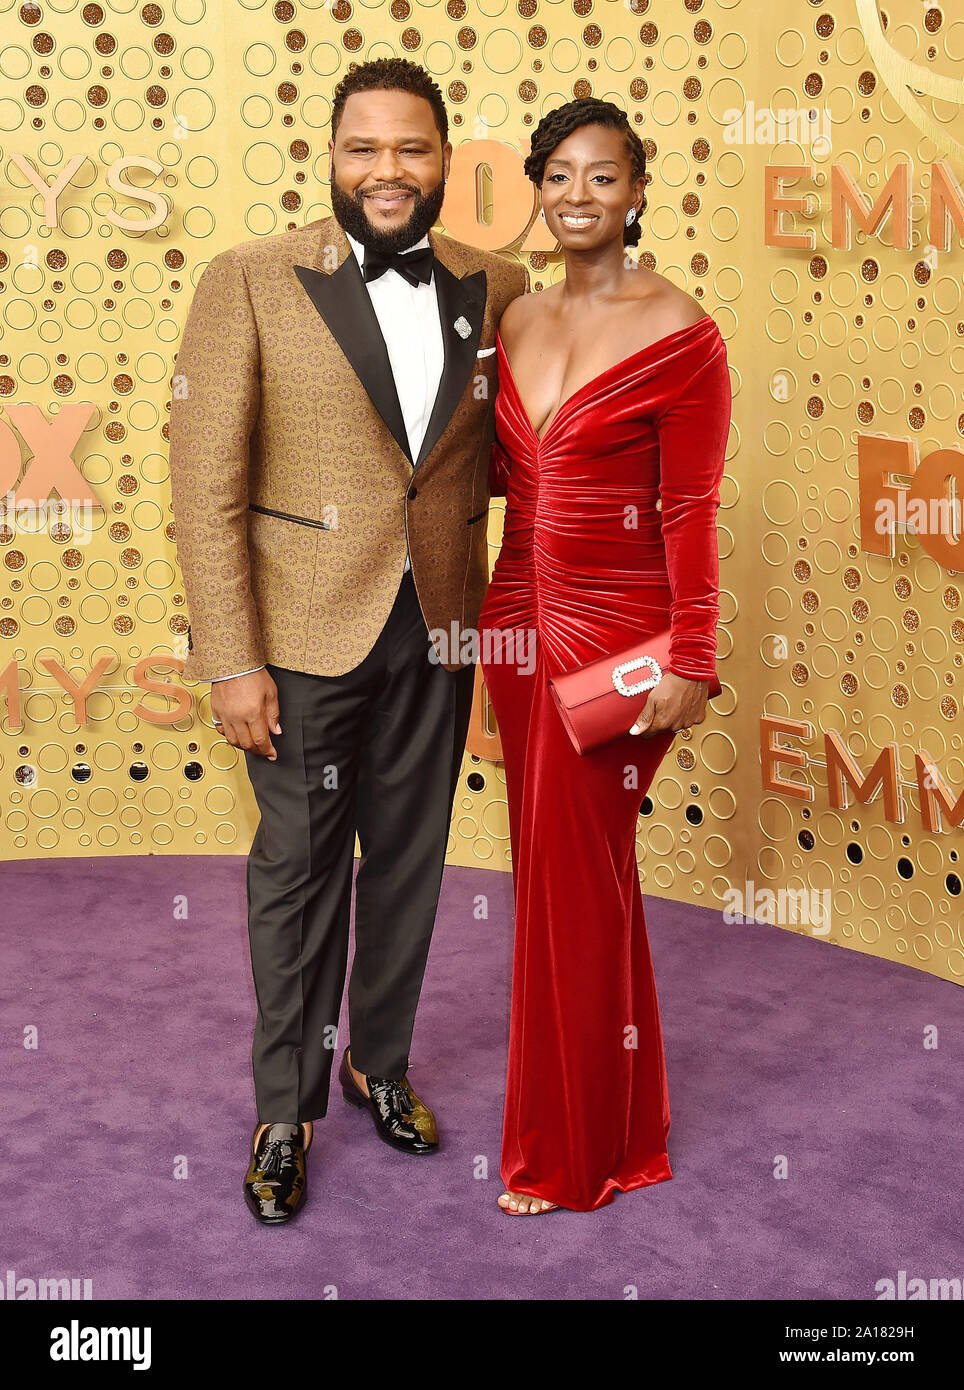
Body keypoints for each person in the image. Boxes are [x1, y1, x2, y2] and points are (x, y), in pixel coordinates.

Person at [168, 58, 527, 1223]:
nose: (388, 170)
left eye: (410, 149)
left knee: (413, 863)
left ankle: (381, 1059)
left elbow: (512, 463)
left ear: (444, 159)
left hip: (436, 627)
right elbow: (203, 484)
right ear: (330, 156)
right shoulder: (252, 280)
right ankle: (288, 1106)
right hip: (300, 634)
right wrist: (232, 657)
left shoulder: (497, 283)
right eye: (364, 148)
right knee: (299, 875)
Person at [479, 97, 731, 1215]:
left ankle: (567, 1157)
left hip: (620, 641)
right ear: (537, 188)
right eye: (559, 176)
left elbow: (691, 509)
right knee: (566, 878)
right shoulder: (514, 319)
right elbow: (488, 477)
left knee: (574, 885)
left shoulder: (682, 330)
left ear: (638, 192)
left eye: (603, 177)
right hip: (513, 618)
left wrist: (693, 656)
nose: (578, 196)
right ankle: (624, 1123)